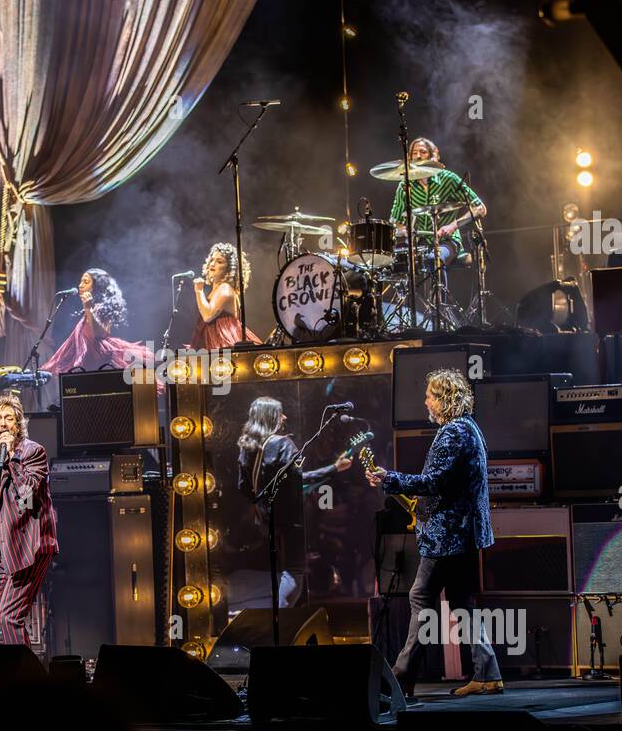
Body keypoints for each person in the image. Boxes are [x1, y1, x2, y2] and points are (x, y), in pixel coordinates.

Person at [364, 368, 501, 700]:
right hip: (464, 532)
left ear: (444, 398)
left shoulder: (453, 433)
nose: (425, 401)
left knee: (420, 597)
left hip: (448, 535)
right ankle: (487, 673)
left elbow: (434, 483)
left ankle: (402, 677)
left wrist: (389, 478)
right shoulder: (469, 429)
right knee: (462, 603)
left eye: (429, 395)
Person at [236, 397, 352, 608]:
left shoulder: (246, 447)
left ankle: (272, 619)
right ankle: (284, 618)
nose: (284, 417)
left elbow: (243, 486)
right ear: (271, 417)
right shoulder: (283, 444)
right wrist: (334, 468)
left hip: (263, 520)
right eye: (280, 413)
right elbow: (300, 479)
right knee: (294, 571)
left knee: (275, 572)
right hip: (290, 520)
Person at [0, 393, 58, 645]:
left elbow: (26, 500)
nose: (2, 423)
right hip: (2, 544)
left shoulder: (33, 452)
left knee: (9, 618)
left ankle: (23, 681)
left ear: (18, 425)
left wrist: (12, 459)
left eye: (8, 418)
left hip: (30, 546)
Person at [389, 137, 486, 266]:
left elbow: (480, 208)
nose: (418, 156)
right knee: (390, 263)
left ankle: (439, 287)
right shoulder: (404, 185)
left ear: (431, 156)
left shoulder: (448, 179)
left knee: (433, 260)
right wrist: (404, 230)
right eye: (414, 153)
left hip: (447, 241)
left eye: (423, 152)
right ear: (409, 158)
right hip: (419, 243)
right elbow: (395, 222)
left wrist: (453, 226)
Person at [44, 269, 153, 373]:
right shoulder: (89, 310)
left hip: (100, 366)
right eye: (80, 281)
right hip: (90, 367)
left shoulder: (101, 309)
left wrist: (88, 309)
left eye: (85, 282)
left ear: (97, 287)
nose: (80, 285)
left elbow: (99, 333)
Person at [190, 243, 260, 349]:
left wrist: (199, 291)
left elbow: (208, 315)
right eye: (212, 260)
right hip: (211, 341)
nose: (212, 264)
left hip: (223, 341)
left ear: (229, 268)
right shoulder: (217, 289)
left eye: (219, 261)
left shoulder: (225, 288)